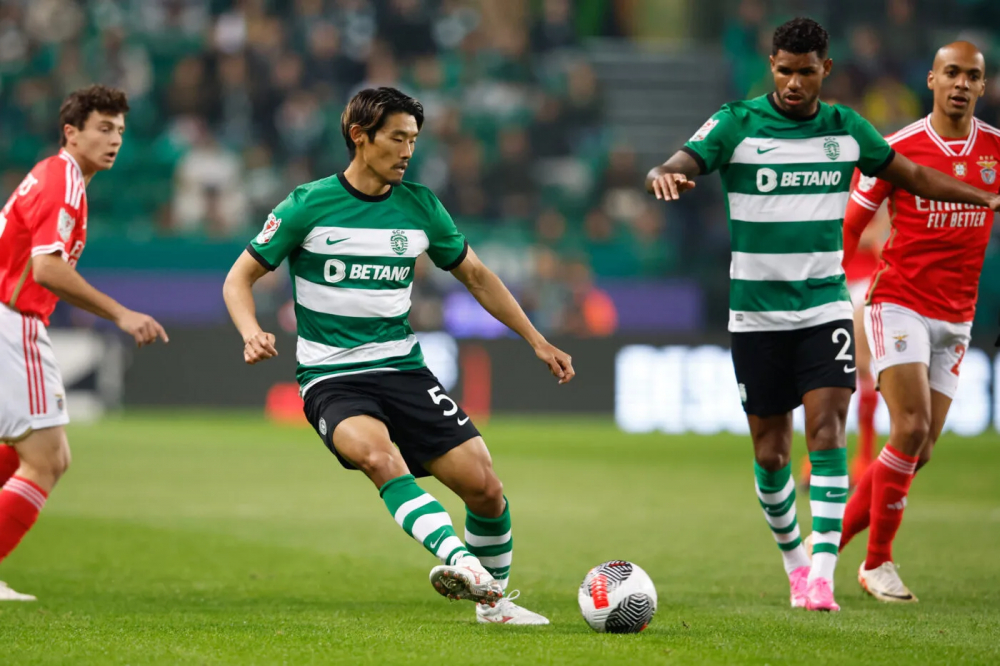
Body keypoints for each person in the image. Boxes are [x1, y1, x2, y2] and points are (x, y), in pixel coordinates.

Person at [644, 19, 1000, 612]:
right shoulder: (736, 122)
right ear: (772, 65)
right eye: (784, 70)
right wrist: (665, 174)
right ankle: (796, 563)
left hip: (824, 308)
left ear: (824, 70)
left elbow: (912, 176)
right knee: (771, 455)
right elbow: (680, 160)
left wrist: (984, 197)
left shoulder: (847, 129)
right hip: (756, 315)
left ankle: (823, 577)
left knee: (830, 431)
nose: (793, 82)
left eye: (805, 71)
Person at [222, 87, 574, 625]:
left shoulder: (420, 205)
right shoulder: (308, 204)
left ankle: (493, 606)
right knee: (379, 459)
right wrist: (251, 331)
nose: (408, 151)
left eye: (413, 139)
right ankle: (465, 566)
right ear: (360, 137)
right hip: (331, 377)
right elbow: (238, 279)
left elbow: (477, 277)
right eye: (397, 138)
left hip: (404, 370)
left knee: (485, 488)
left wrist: (536, 339)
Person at [837, 41, 1000, 603]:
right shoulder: (897, 149)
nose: (961, 83)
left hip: (956, 316)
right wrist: (830, 292)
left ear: (983, 86)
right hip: (898, 301)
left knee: (920, 448)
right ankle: (877, 563)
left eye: (972, 76)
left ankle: (824, 544)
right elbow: (851, 225)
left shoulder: (996, 150)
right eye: (951, 72)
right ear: (932, 79)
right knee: (908, 429)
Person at [0, 85, 169, 601]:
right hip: (11, 320)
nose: (114, 139)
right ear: (71, 133)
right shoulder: (63, 181)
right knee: (48, 459)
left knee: (19, 448)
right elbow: (46, 270)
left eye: (120, 130)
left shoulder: (56, 176)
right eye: (103, 128)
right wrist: (121, 313)